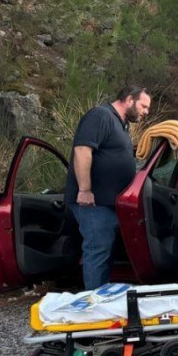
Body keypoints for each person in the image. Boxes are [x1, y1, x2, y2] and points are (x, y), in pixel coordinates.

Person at [64, 85, 152, 290]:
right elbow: (82, 150)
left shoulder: (121, 124)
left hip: (109, 204)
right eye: (144, 106)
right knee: (98, 251)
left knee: (105, 252)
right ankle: (95, 301)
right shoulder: (100, 116)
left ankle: (102, 296)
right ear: (129, 100)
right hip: (94, 203)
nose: (146, 112)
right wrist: (85, 190)